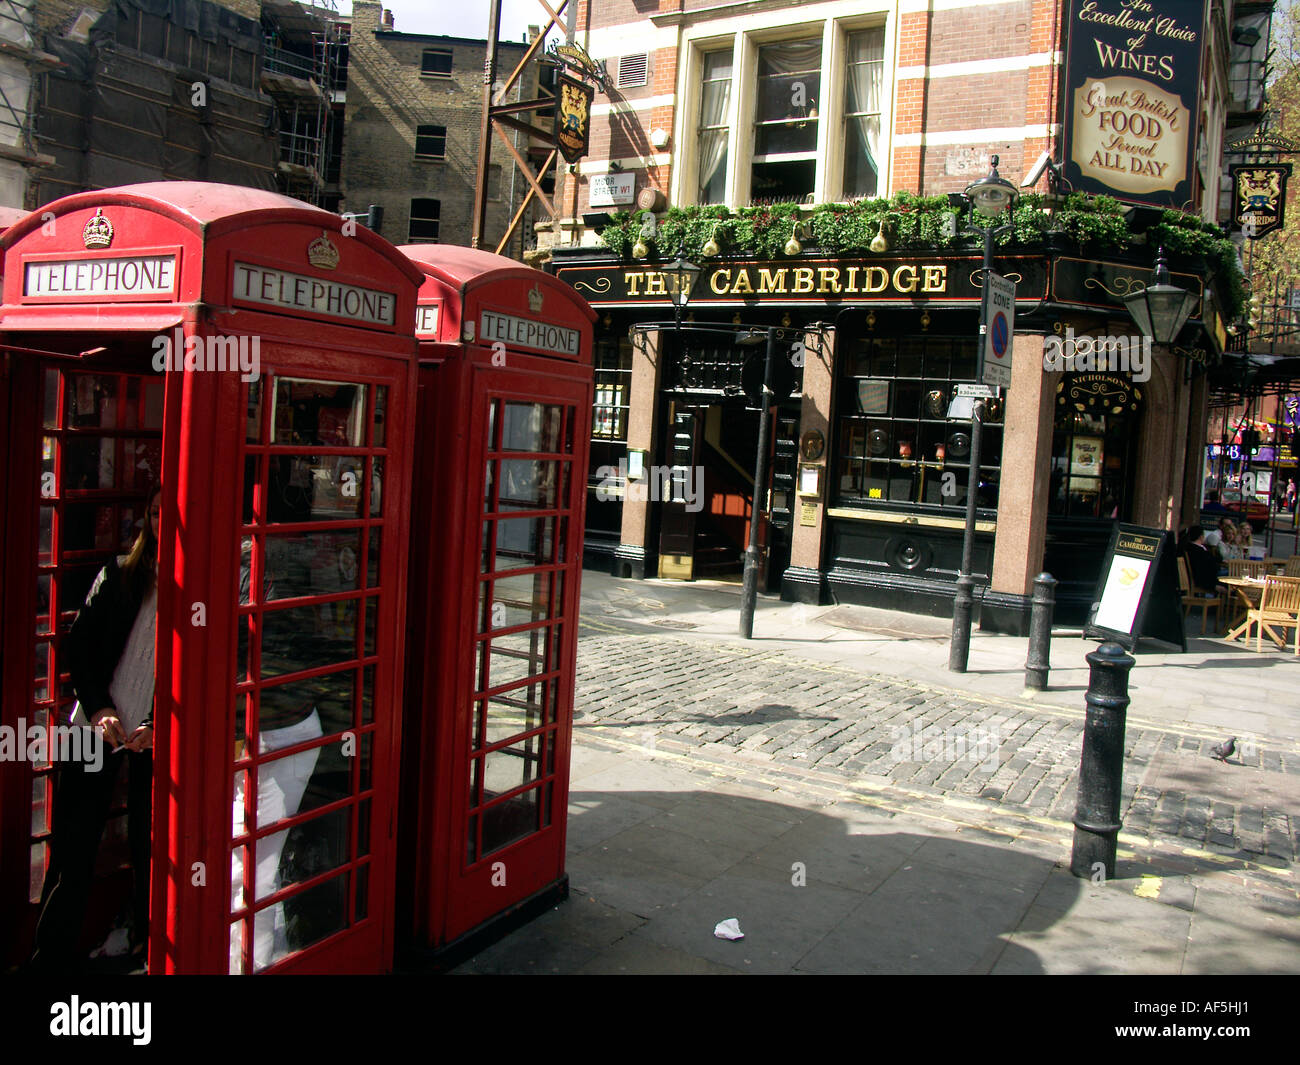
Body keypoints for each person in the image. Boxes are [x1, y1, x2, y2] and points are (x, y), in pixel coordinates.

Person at [30, 489, 161, 974]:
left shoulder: (202, 592)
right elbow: (78, 648)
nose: (163, 523)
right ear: (146, 520)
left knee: (151, 850)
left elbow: (206, 672)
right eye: (155, 514)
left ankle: (152, 955)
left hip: (153, 737)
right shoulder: (119, 575)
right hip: (94, 726)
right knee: (73, 847)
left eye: (174, 514)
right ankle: (49, 960)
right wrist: (100, 707)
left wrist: (160, 725)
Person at [1180, 525, 1221, 593]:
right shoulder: (1199, 550)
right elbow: (1212, 562)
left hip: (1202, 577)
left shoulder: (1188, 547)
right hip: (1205, 580)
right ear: (1201, 536)